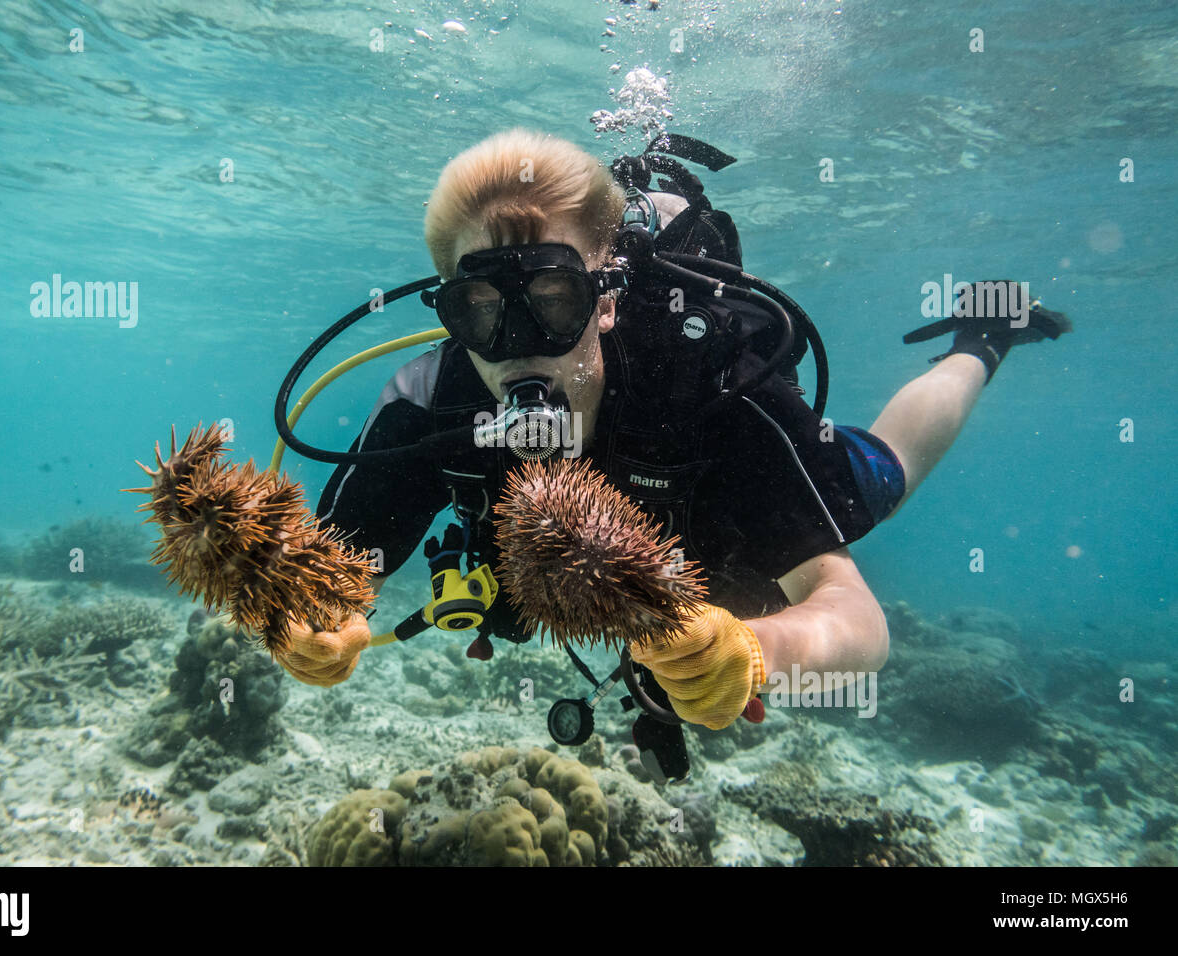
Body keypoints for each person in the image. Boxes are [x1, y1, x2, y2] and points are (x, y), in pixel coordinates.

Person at [273, 128, 1070, 730]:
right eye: (479, 311)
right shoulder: (428, 403)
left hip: (719, 520)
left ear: (607, 299)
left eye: (552, 300)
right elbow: (339, 574)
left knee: (884, 474)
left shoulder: (707, 377)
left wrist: (759, 653)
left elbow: (856, 619)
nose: (518, 345)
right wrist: (324, 620)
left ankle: (983, 338)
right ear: (449, 315)